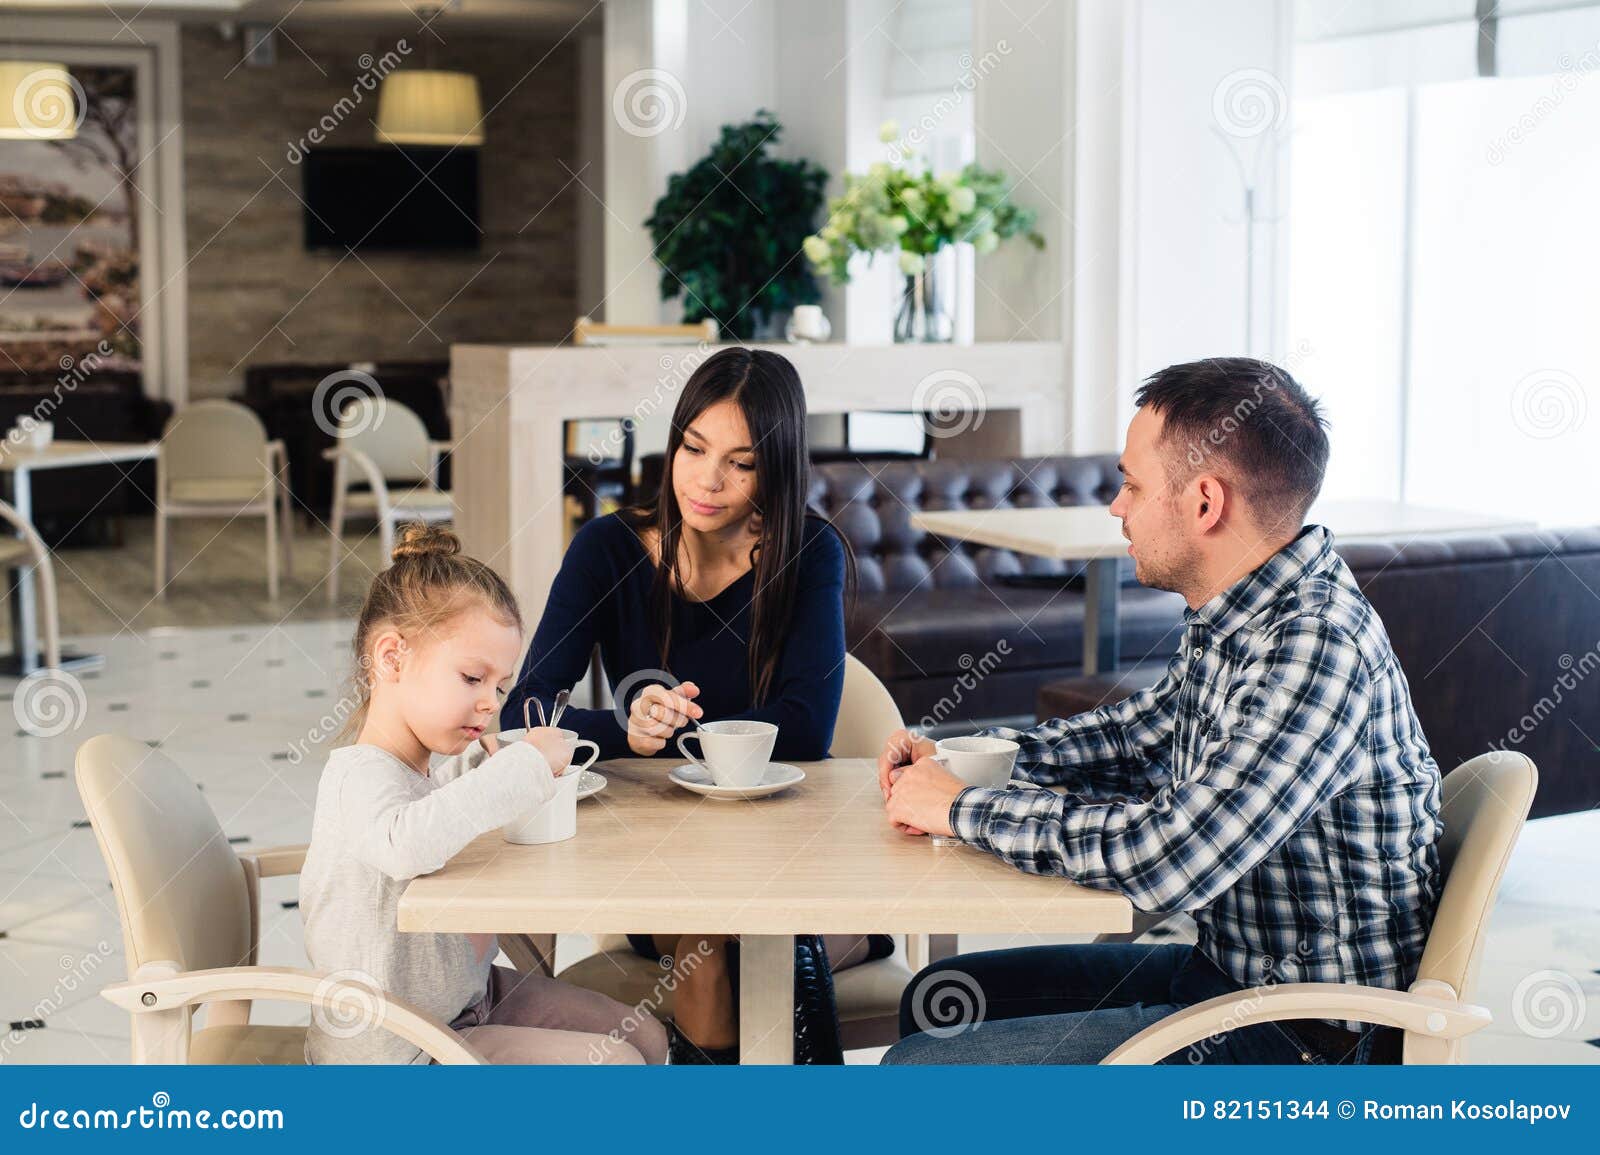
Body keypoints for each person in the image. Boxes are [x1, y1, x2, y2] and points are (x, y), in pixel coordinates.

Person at [879, 357, 1443, 1066]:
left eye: (1133, 484)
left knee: (924, 1069)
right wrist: (964, 760)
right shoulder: (1240, 614)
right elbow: (1138, 739)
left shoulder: (1316, 645)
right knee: (937, 997)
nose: (1117, 506)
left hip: (1308, 1035)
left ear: (1205, 503)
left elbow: (1172, 858)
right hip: (1228, 976)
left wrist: (962, 808)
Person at [503, 347, 890, 1062]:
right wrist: (627, 729)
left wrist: (677, 730)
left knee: (756, 938)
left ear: (776, 469)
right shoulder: (606, 549)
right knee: (716, 944)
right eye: (693, 447)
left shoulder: (809, 551)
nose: (708, 480)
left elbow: (808, 728)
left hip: (792, 844)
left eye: (741, 463)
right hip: (667, 858)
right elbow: (523, 712)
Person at [300, 523, 668, 1065]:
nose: (491, 703)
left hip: (466, 1000)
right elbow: (405, 843)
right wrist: (520, 767)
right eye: (473, 678)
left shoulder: (419, 773)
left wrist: (477, 765)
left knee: (646, 1036)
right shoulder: (357, 775)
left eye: (500, 686)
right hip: (399, 1051)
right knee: (616, 1064)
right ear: (392, 658)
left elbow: (437, 807)